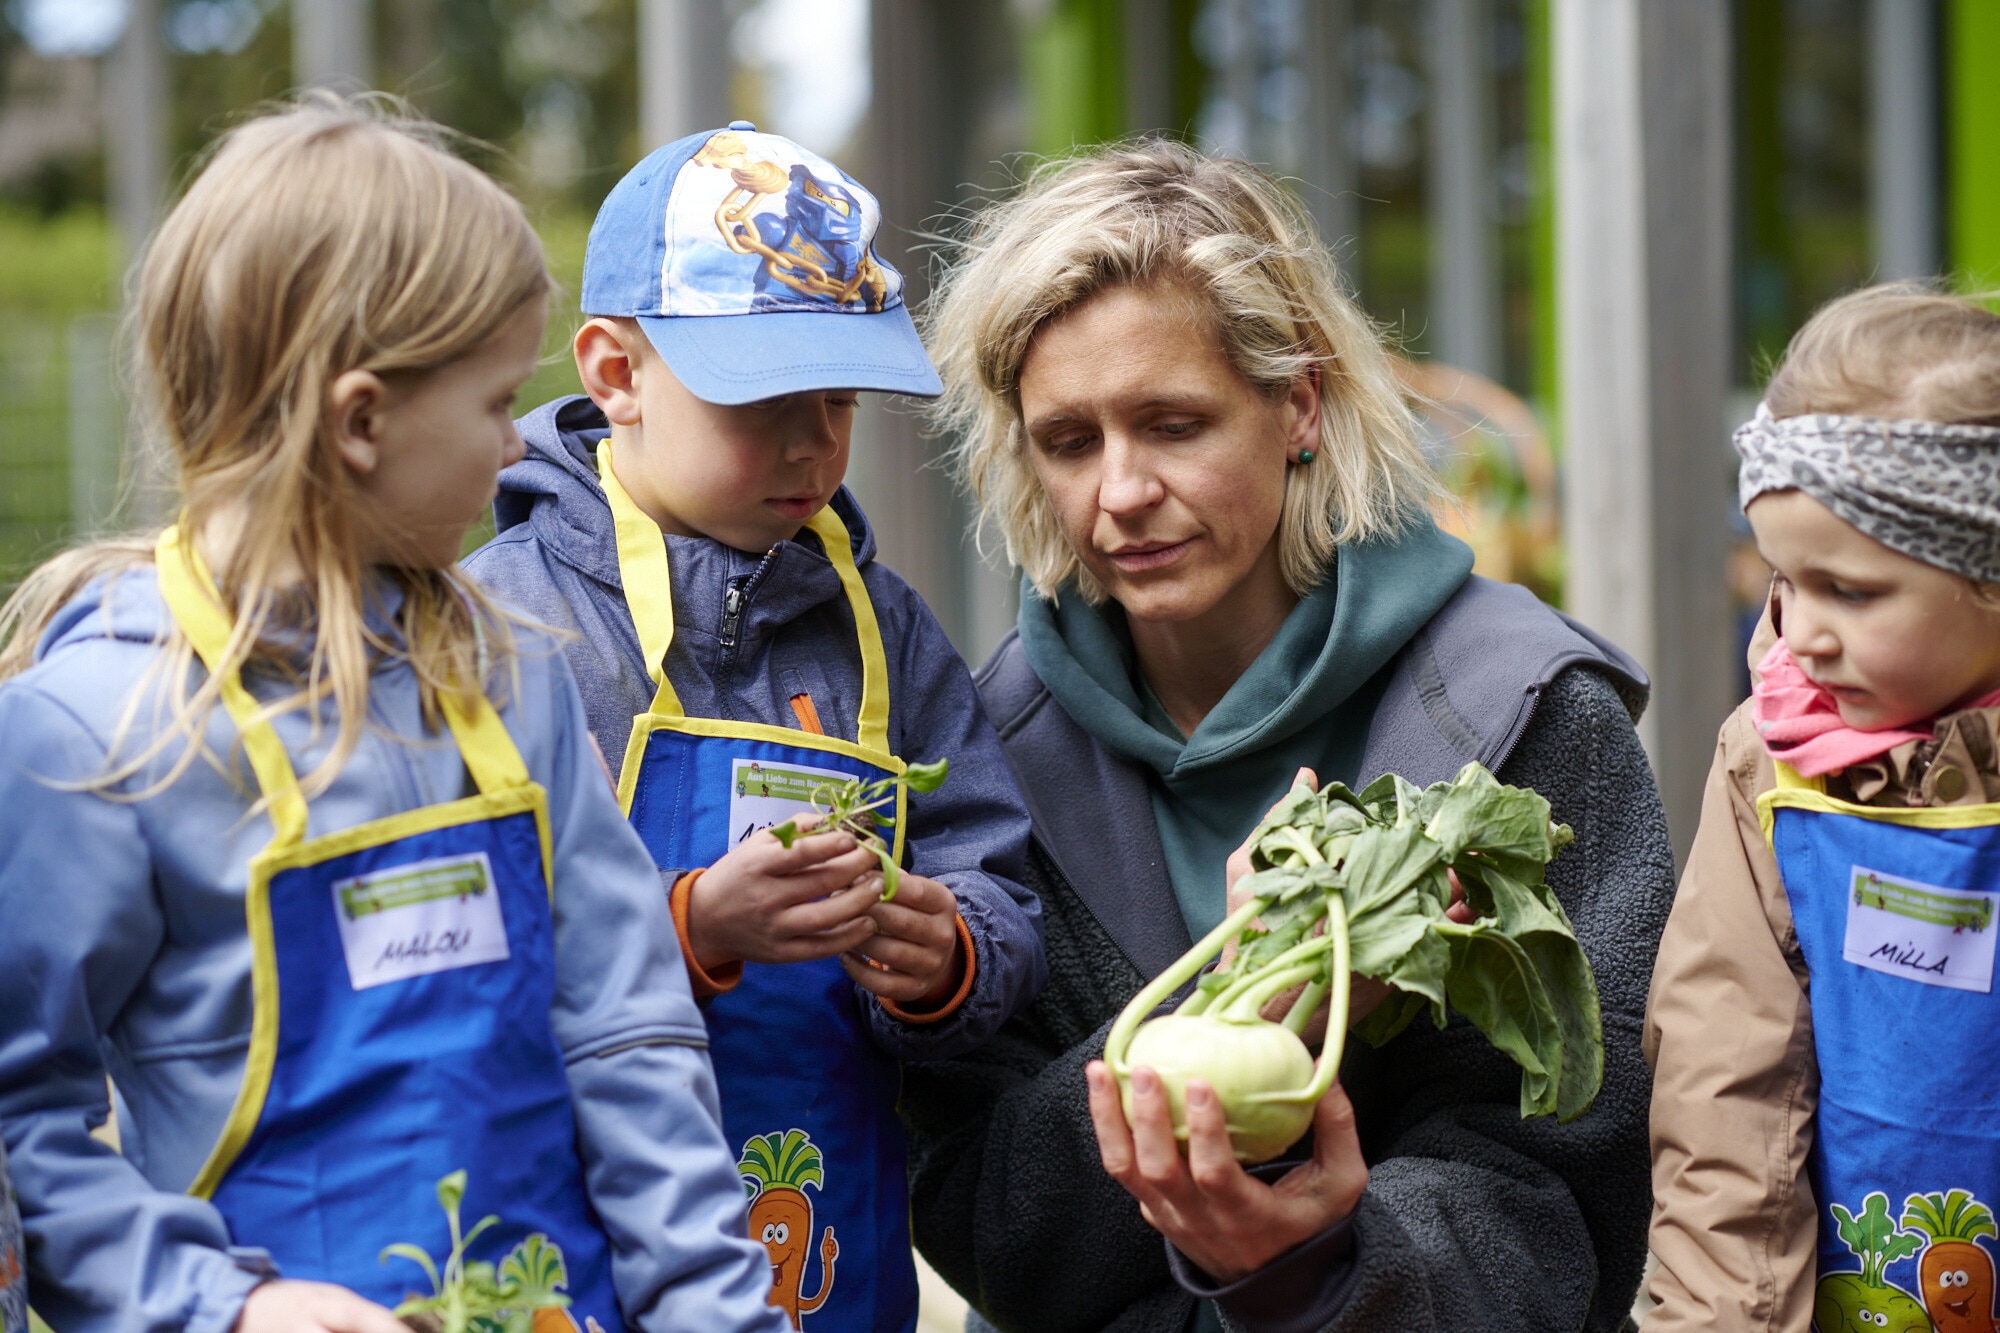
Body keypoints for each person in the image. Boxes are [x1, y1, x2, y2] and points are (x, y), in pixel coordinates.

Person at [0, 100, 788, 1333]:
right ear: (362, 420)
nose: (517, 444)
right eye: (489, 403)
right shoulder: (88, 731)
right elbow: (21, 1127)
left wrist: (717, 1312)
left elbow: (628, 1028)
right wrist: (223, 1309)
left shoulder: (511, 676)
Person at [898, 140, 1676, 1332]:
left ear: (1296, 406)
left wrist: (1317, 1272)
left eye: (1171, 423)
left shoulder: (1521, 714)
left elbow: (1581, 1192)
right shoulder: (987, 750)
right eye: (1068, 441)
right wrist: (1230, 1013)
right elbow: (968, 1211)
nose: (1119, 492)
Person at [462, 121, 1045, 1332]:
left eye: (835, 399)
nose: (811, 444)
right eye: (763, 399)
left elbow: (995, 883)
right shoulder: (499, 627)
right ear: (615, 374)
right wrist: (686, 927)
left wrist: (949, 956)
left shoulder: (883, 630)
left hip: (826, 1254)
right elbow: (454, 953)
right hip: (565, 1260)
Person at [1646, 285, 2000, 1331]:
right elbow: (1723, 1095)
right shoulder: (1769, 762)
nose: (1800, 633)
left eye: (1849, 591)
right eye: (1781, 581)